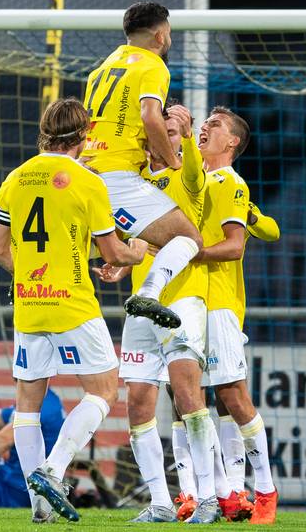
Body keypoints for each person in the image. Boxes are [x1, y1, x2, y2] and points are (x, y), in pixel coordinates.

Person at [0, 97, 147, 522]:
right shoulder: (88, 181)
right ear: (86, 133)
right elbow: (112, 249)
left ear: (44, 130)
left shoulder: (15, 179)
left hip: (28, 303)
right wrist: (135, 252)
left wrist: (31, 278)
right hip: (72, 303)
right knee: (103, 390)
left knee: (27, 404)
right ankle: (54, 469)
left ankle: (39, 507)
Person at [93, 104, 219, 523]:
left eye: (169, 129)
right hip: (141, 306)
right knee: (138, 402)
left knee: (187, 396)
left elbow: (194, 181)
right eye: (157, 129)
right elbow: (144, 243)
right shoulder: (133, 185)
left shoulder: (187, 172)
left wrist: (183, 138)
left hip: (182, 300)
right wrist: (122, 263)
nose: (158, 136)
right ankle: (162, 503)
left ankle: (207, 498)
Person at [80, 1, 204, 330]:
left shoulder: (101, 69)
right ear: (160, 36)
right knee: (189, 238)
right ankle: (147, 293)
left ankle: (51, 263)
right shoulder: (153, 66)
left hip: (86, 168)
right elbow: (151, 115)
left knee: (107, 240)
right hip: (115, 175)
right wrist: (172, 159)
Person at [192, 107, 279, 524]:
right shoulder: (193, 181)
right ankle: (222, 493)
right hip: (187, 303)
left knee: (232, 397)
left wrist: (189, 254)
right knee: (189, 401)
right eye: (204, 122)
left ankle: (264, 490)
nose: (205, 126)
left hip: (218, 304)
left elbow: (236, 245)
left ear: (232, 143)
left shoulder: (229, 181)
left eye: (216, 124)